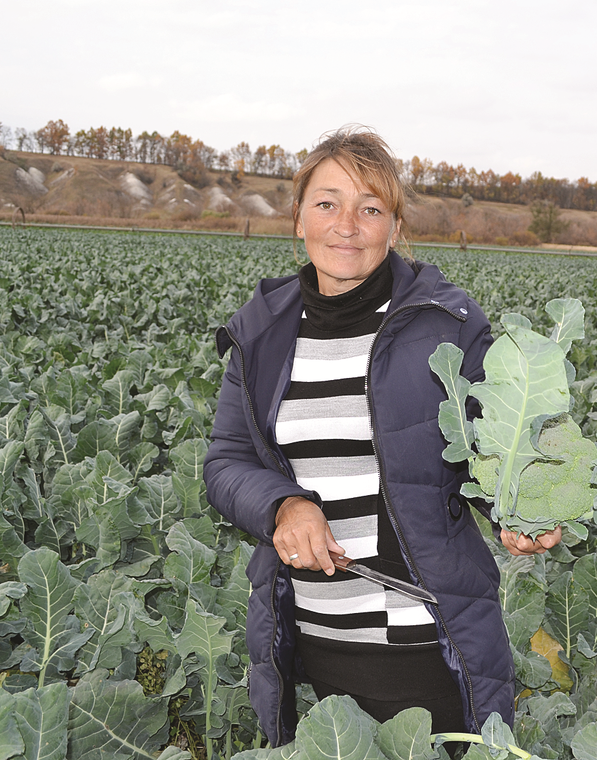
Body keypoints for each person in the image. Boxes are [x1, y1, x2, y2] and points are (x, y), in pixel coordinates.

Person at [203, 127, 560, 747]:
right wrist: (283, 504)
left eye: (371, 208)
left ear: (394, 228)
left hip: (427, 647)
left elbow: (492, 449)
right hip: (309, 647)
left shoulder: (447, 323)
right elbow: (227, 460)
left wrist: (518, 507)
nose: (347, 224)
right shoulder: (260, 331)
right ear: (297, 220)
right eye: (327, 203)